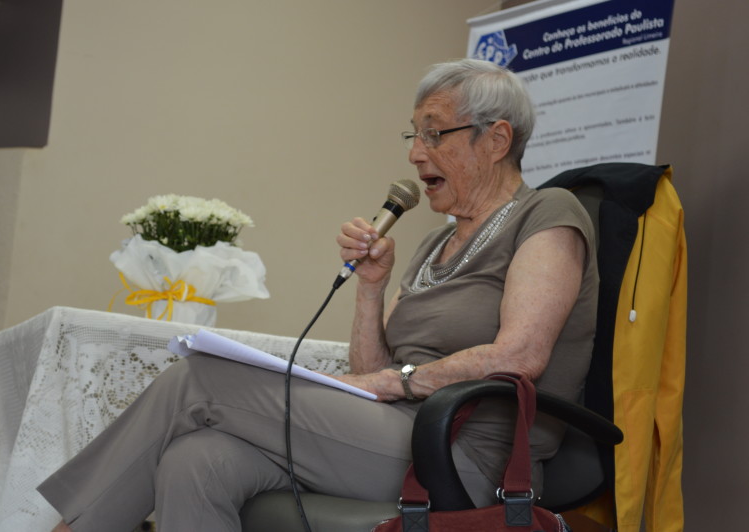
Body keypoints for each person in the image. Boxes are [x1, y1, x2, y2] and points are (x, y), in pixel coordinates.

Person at [39, 58, 598, 531]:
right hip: (391, 435)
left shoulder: (547, 214)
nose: (415, 155)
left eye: (434, 133)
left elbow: (520, 356)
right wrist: (372, 290)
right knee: (197, 459)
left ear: (496, 139)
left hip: (465, 453)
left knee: (197, 379)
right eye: (414, 135)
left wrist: (396, 381)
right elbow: (370, 371)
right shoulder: (434, 243)